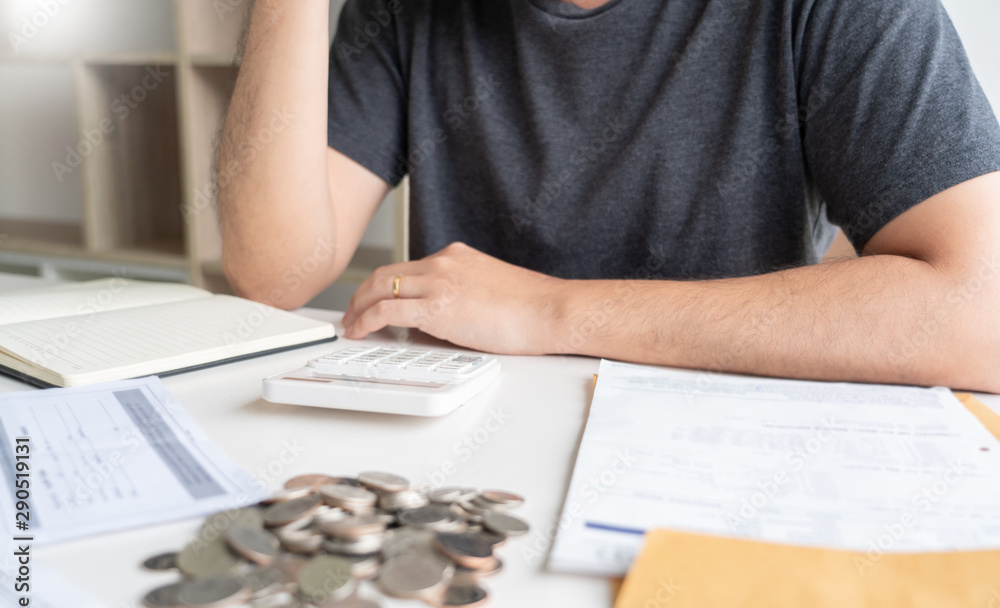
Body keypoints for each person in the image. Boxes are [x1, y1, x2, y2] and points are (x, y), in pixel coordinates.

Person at [218, 0, 1000, 392]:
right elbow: (273, 270)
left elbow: (982, 312)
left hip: (724, 444)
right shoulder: (404, 9)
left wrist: (551, 311)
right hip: (471, 457)